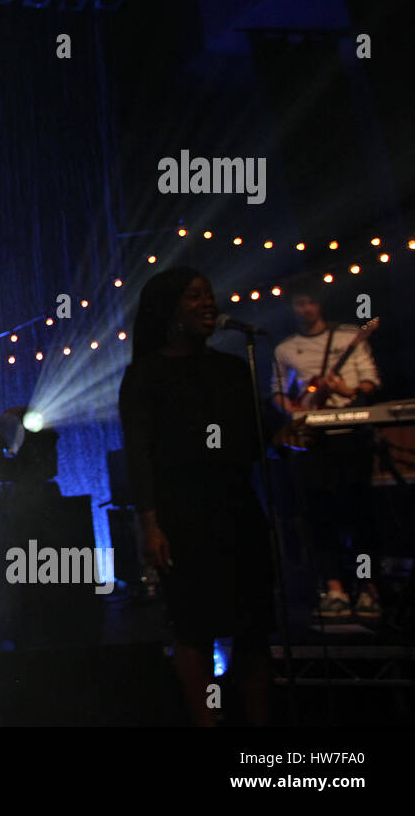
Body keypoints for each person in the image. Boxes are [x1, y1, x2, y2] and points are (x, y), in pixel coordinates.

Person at [118, 267, 273, 726]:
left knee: (253, 630)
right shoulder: (145, 376)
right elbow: (139, 454)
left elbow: (256, 437)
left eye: (209, 295)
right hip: (182, 515)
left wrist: (292, 428)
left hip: (237, 507)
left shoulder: (231, 369)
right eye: (194, 297)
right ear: (170, 309)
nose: (208, 304)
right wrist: (150, 522)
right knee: (194, 628)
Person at [270, 281, 382, 622]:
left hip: (350, 433)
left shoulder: (350, 336)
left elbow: (370, 380)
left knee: (360, 514)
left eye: (310, 302)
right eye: (299, 303)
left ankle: (368, 587)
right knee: (320, 516)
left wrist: (346, 389)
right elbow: (277, 391)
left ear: (320, 305)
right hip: (314, 440)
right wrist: (294, 413)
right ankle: (334, 588)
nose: (305, 309)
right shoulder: (285, 349)